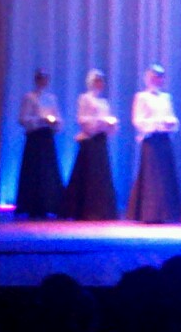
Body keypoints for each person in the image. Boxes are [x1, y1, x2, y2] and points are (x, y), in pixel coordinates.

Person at [127, 64, 181, 223]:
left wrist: (171, 123)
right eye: (155, 76)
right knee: (152, 177)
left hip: (164, 140)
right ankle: (150, 214)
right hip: (151, 140)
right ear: (148, 78)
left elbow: (171, 116)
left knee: (165, 176)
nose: (158, 80)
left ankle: (167, 213)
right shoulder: (142, 97)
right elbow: (138, 120)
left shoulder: (166, 97)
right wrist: (158, 123)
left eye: (161, 77)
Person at [62, 69, 118, 220]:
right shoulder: (85, 98)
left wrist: (110, 124)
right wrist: (99, 123)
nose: (100, 84)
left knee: (101, 175)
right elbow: (82, 119)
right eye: (97, 81)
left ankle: (101, 210)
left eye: (102, 81)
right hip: (89, 141)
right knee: (88, 175)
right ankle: (84, 210)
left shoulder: (104, 102)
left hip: (100, 140)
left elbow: (108, 119)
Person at [15, 68, 64, 218]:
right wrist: (39, 120)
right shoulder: (29, 97)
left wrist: (54, 122)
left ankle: (49, 204)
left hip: (47, 138)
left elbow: (58, 118)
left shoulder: (51, 98)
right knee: (34, 171)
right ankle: (32, 206)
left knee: (48, 172)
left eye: (45, 78)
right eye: (41, 78)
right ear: (36, 80)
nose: (43, 81)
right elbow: (22, 118)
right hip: (35, 139)